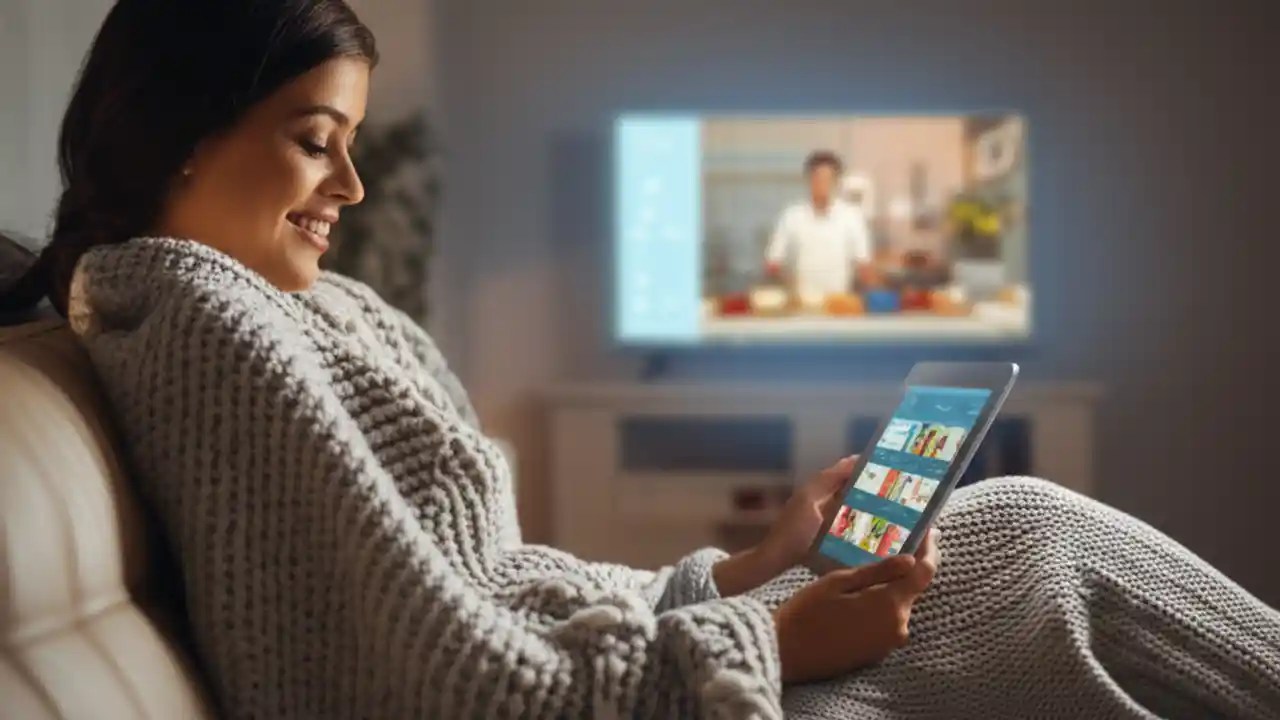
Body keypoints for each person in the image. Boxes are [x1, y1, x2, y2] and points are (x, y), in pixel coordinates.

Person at [1, 2, 1277, 718]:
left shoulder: (294, 310)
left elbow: (490, 582)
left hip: (647, 676)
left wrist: (752, 567)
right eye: (312, 139)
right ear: (176, 136)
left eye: (349, 140)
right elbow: (426, 682)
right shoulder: (205, 332)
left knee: (1016, 539)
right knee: (1029, 540)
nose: (351, 180)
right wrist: (774, 644)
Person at [764, 151, 872, 307]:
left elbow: (864, 265)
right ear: (809, 180)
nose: (823, 185)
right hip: (801, 307)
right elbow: (773, 263)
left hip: (839, 305)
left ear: (837, 182)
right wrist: (790, 286)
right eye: (818, 178)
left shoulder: (852, 217)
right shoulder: (791, 215)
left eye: (828, 179)